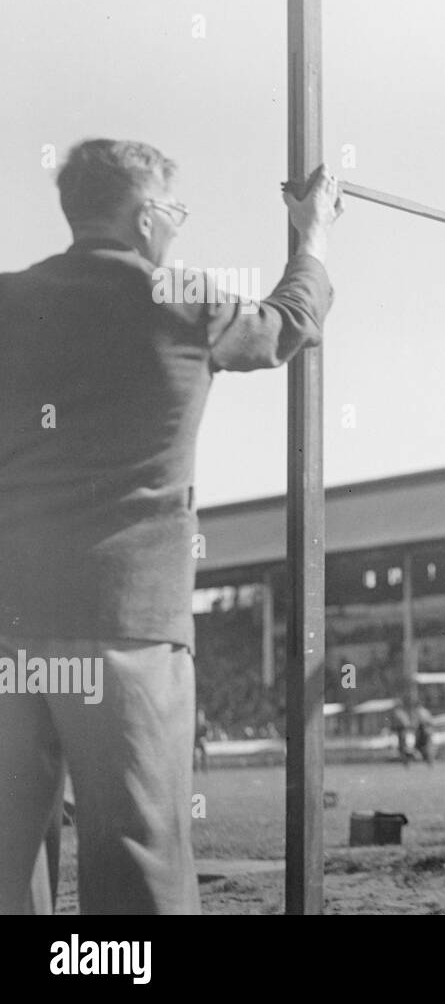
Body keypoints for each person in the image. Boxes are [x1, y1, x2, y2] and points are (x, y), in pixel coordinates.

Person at [0, 140, 340, 915]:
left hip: (9, 620)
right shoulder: (182, 299)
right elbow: (290, 322)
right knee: (136, 850)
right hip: (124, 619)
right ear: (146, 214)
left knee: (8, 852)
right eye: (175, 213)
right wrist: (312, 231)